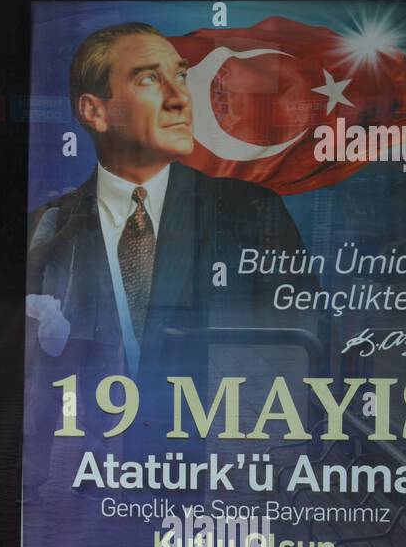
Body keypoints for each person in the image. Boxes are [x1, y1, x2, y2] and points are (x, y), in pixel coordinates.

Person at [25, 22, 314, 442]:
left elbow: (303, 321)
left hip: (206, 454)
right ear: (95, 111)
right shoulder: (54, 219)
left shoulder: (250, 209)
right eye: (147, 79)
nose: (181, 98)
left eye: (180, 76)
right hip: (92, 457)